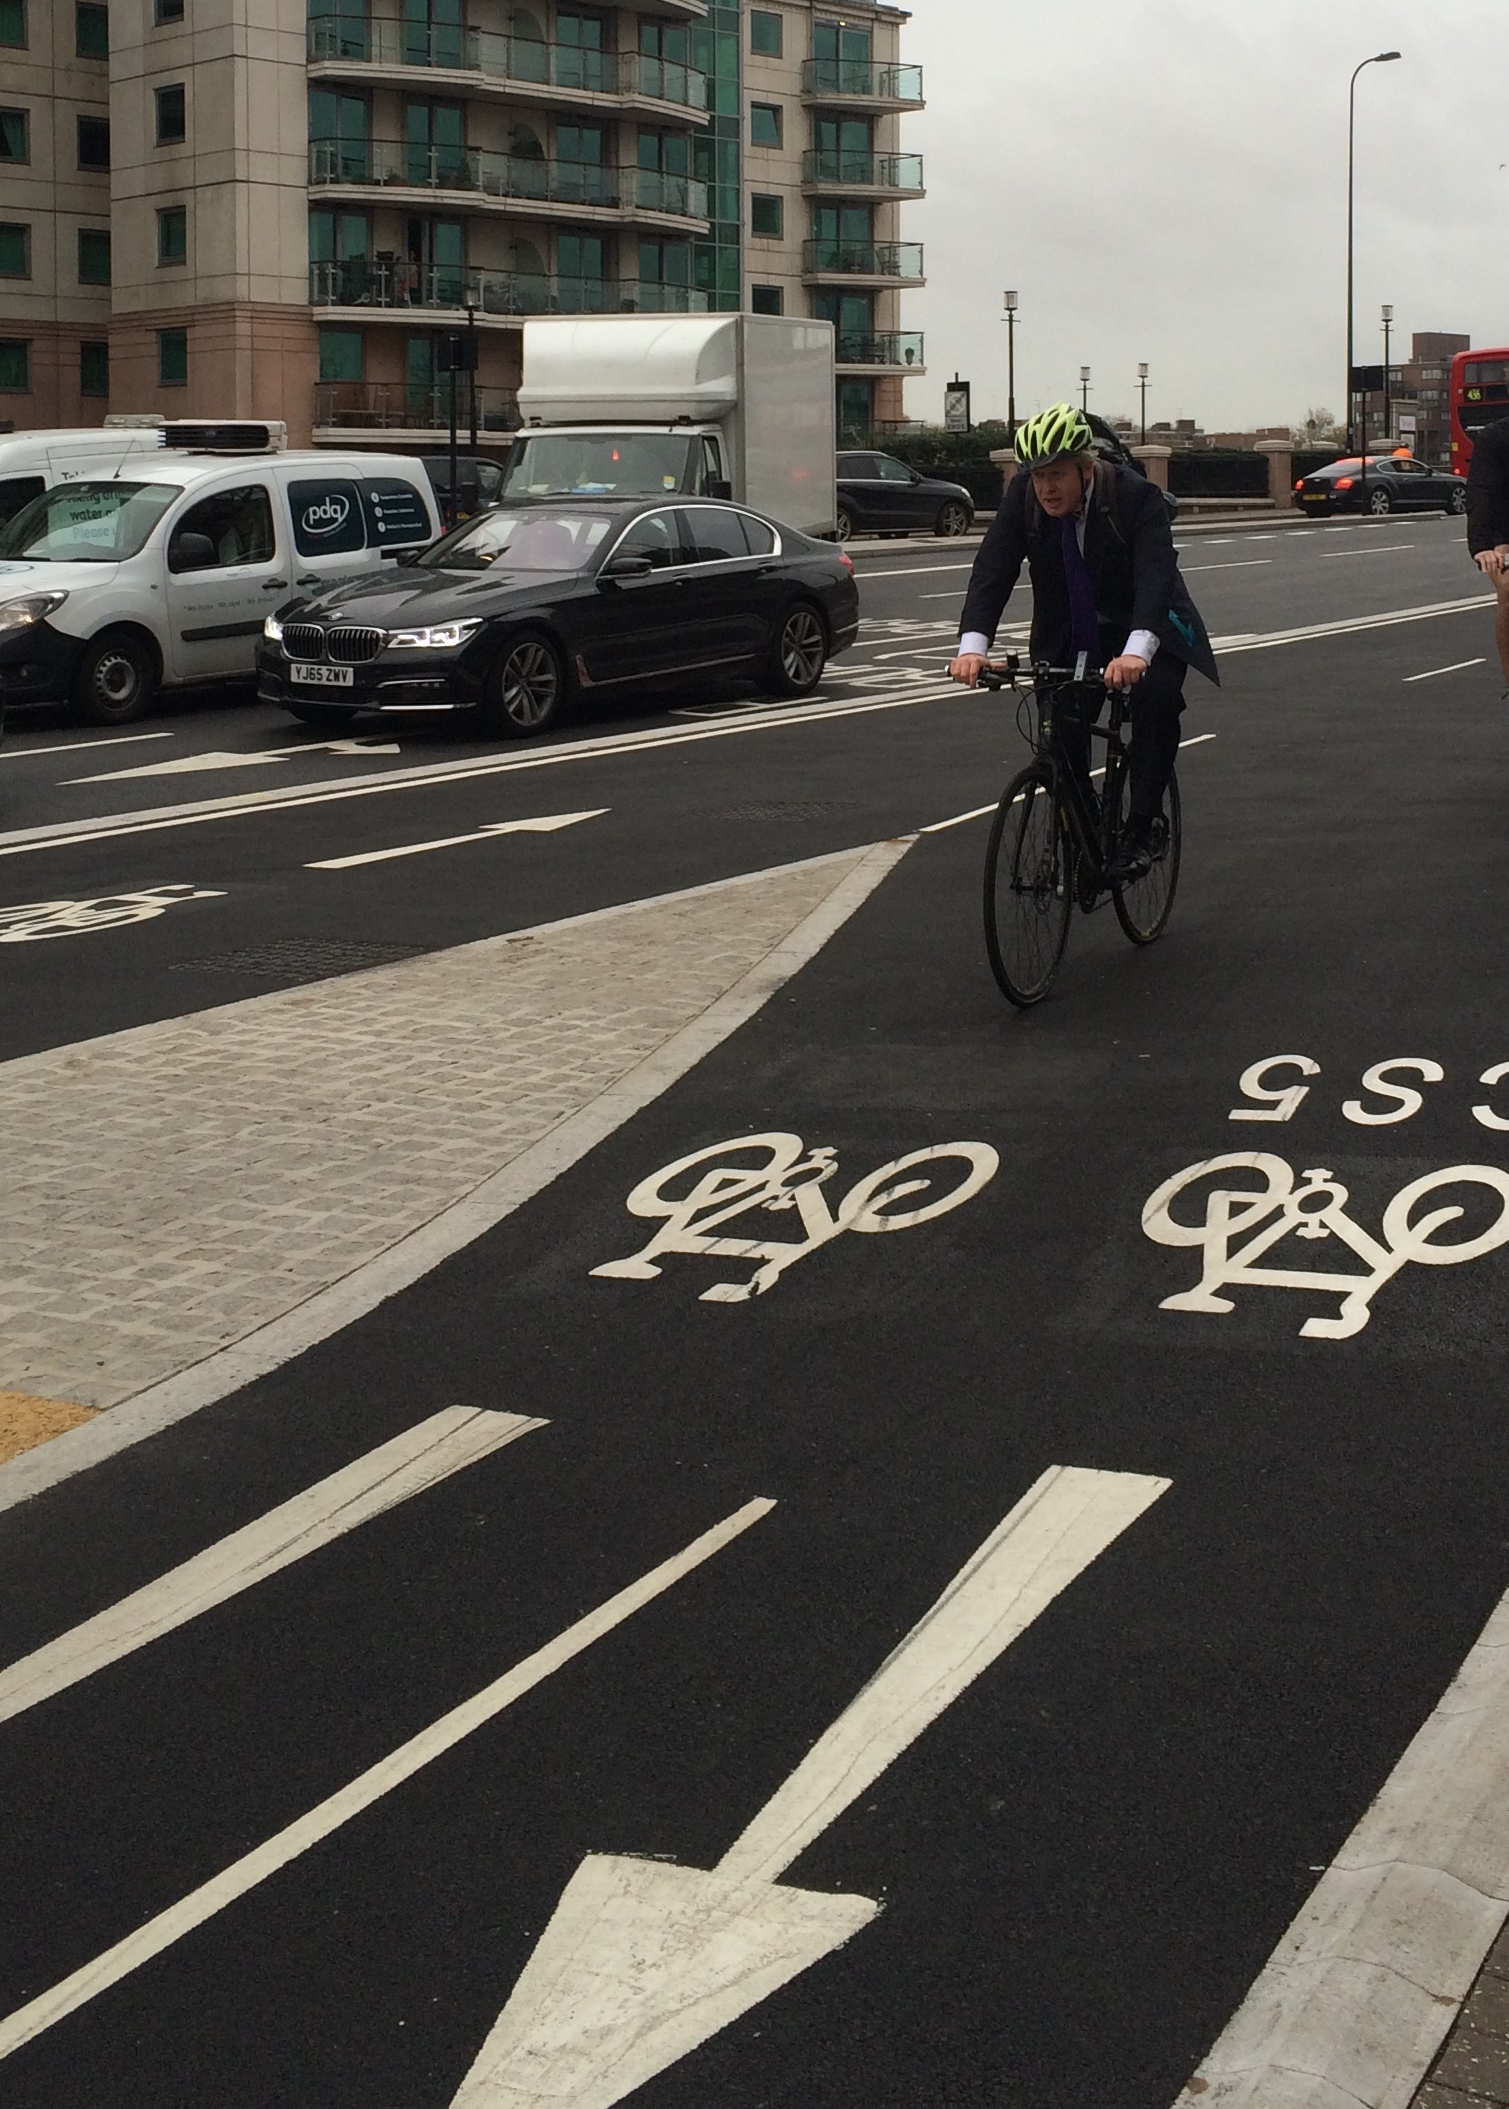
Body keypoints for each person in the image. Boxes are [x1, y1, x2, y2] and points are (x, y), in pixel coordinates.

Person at [950, 401, 1218, 879]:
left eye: (1056, 475)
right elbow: (993, 568)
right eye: (1037, 476)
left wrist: (1136, 653)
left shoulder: (1135, 498)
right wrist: (973, 646)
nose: (1046, 488)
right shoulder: (1024, 500)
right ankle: (1087, 827)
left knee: (1156, 700)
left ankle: (1143, 825)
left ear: (1085, 467)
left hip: (1145, 622)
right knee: (1061, 727)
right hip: (1070, 629)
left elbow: (1156, 578)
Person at [1466, 415, 1509, 689]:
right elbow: (1481, 491)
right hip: (1505, 533)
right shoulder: (1496, 437)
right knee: (1508, 589)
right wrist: (1482, 546)